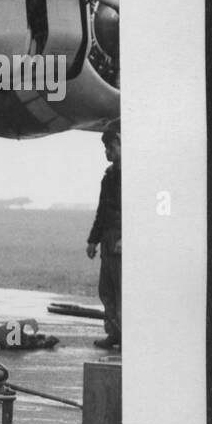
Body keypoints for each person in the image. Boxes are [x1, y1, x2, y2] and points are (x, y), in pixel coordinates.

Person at [86, 129, 121, 349]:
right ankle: (115, 333)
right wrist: (93, 240)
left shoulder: (134, 175)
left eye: (110, 147)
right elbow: (102, 211)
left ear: (119, 141)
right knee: (106, 289)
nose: (107, 152)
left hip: (122, 240)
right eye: (106, 148)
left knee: (121, 291)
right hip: (109, 240)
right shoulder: (108, 177)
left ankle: (127, 335)